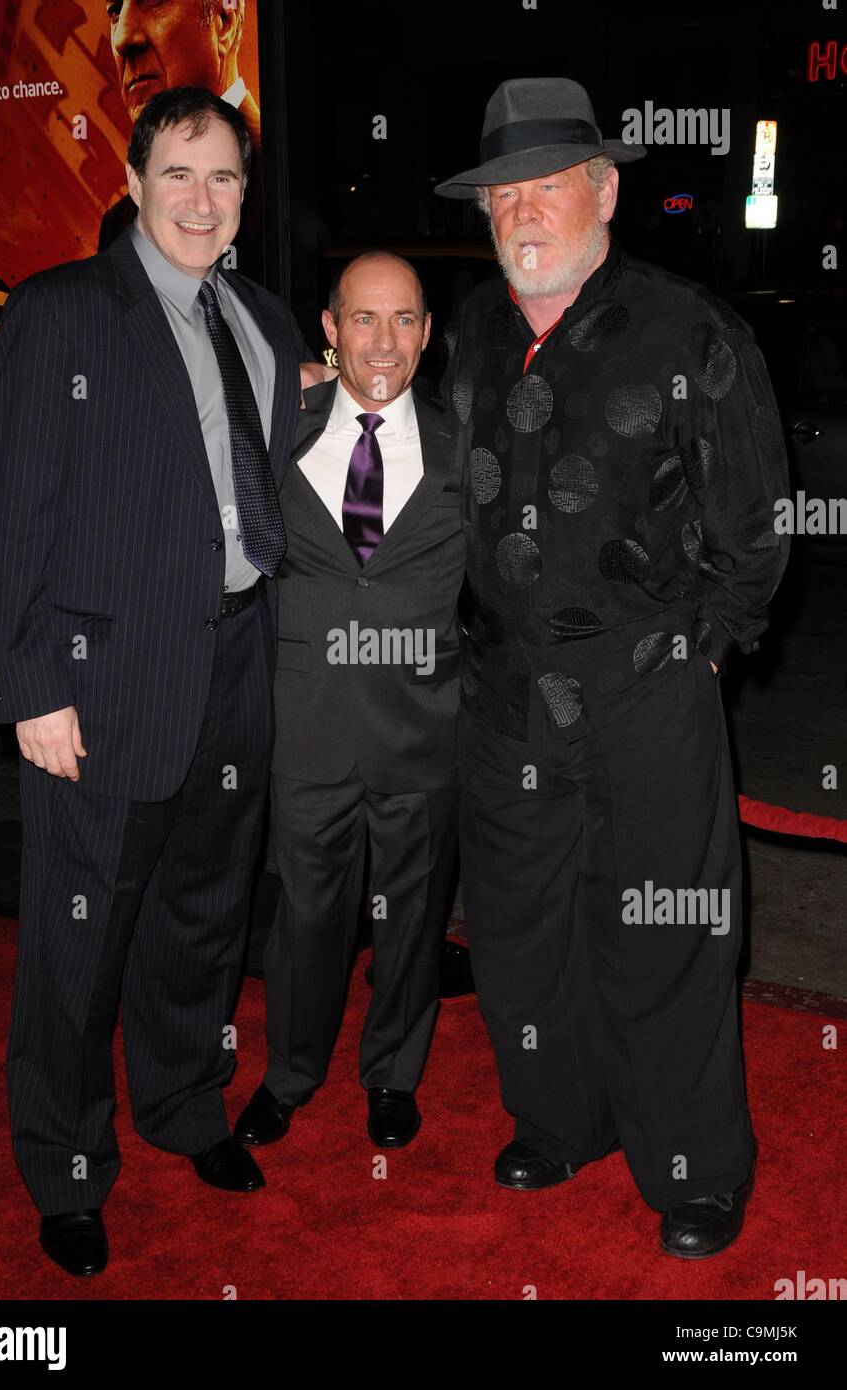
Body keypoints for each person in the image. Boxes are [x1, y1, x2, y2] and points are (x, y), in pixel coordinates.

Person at [435, 77, 790, 1257]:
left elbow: (753, 531)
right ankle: (560, 1116)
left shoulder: (691, 332)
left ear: (603, 189)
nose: (522, 211)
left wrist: (700, 656)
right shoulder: (474, 329)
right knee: (524, 928)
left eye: (546, 185)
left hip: (645, 689)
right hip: (506, 695)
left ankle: (691, 1168)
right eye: (502, 196)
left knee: (665, 930)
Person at [0, 86, 322, 1278]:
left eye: (223, 176)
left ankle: (183, 1103)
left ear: (243, 197)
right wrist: (30, 686)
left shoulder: (269, 325)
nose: (200, 198)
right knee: (79, 934)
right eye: (177, 173)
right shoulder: (63, 314)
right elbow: (15, 514)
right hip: (100, 676)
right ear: (130, 184)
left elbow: (279, 480)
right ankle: (67, 1167)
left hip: (235, 658)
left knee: (203, 913)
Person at [235, 253, 465, 1150]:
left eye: (403, 319)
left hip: (422, 729)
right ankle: (288, 1076)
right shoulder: (278, 428)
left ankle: (393, 1077)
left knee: (411, 914)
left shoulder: (458, 447)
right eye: (363, 319)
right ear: (328, 329)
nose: (383, 340)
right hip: (308, 725)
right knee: (307, 915)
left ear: (425, 333)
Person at [100, 0, 261, 252]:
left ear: (224, 23)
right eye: (115, 11)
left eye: (153, 2)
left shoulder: (289, 177)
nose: (122, 37)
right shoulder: (118, 224)